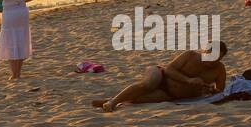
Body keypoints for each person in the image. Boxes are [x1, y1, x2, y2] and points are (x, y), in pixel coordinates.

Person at [92, 45, 227, 111]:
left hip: (170, 94)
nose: (212, 61)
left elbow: (219, 92)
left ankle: (111, 100)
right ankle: (112, 102)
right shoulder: (190, 55)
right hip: (161, 74)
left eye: (217, 58)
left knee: (139, 100)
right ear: (205, 51)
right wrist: (188, 80)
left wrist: (209, 89)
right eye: (211, 56)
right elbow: (169, 69)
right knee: (148, 85)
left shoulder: (219, 70)